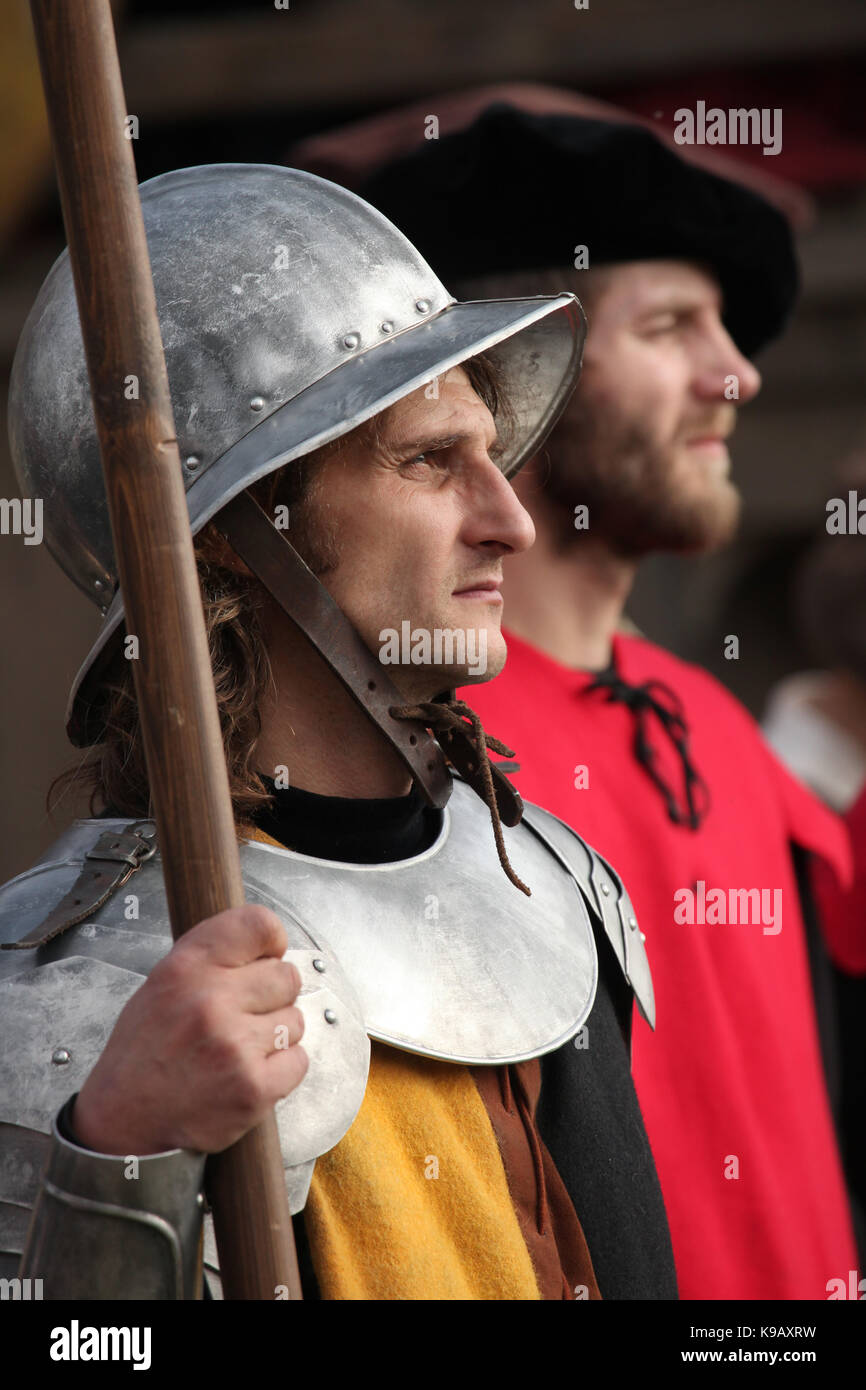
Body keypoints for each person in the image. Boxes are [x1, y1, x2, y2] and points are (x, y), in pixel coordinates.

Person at [0, 162, 677, 1300]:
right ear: (226, 536)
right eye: (427, 461)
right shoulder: (81, 988)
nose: (509, 517)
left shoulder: (550, 886)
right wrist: (118, 1148)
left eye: (490, 453)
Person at [313, 93, 865, 1299]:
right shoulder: (397, 757)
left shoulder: (715, 722)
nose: (733, 377)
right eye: (670, 325)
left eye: (723, 331)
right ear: (513, 376)